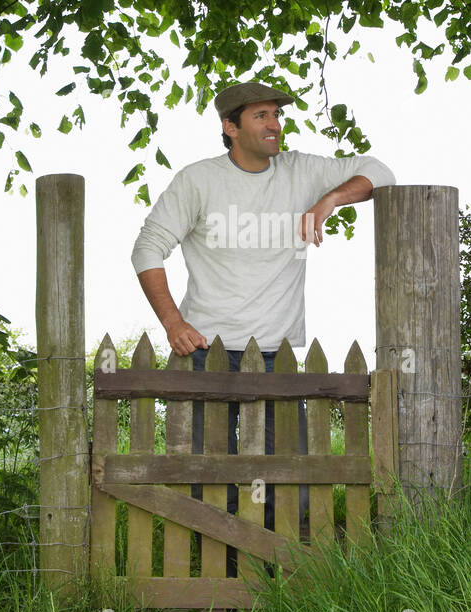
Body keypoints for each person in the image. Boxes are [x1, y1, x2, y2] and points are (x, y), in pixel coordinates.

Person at [130, 80, 396, 582]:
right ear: (230, 127)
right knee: (210, 477)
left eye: (276, 114)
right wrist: (173, 323)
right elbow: (147, 250)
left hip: (278, 357)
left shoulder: (301, 171)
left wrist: (329, 202)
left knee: (287, 478)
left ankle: (282, 585)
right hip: (207, 353)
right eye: (261, 116)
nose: (275, 124)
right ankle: (221, 584)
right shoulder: (198, 181)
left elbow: (379, 173)